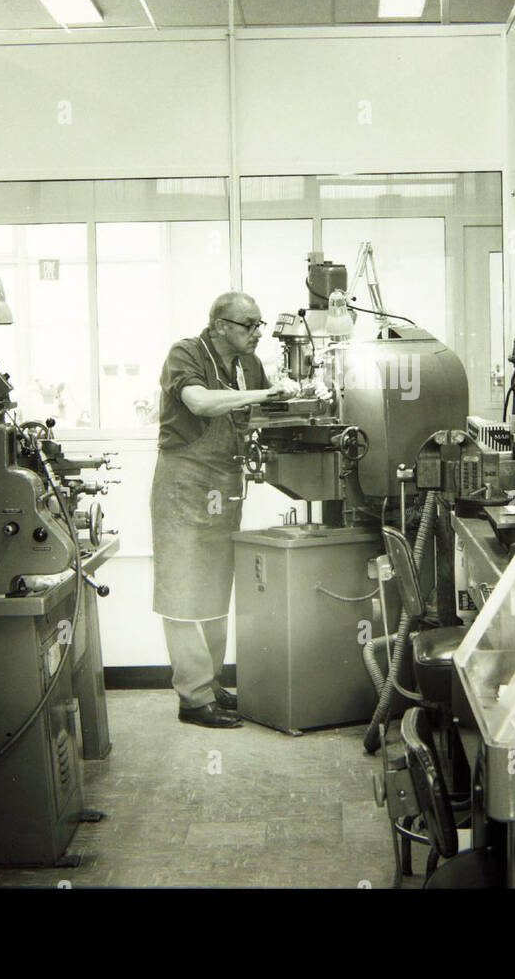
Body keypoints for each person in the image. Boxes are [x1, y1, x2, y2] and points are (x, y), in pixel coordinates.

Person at [151, 292, 294, 728]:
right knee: (182, 586)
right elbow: (199, 402)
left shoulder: (249, 364)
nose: (257, 333)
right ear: (218, 326)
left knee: (215, 586)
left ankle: (210, 685)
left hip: (223, 481)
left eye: (259, 324)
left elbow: (264, 410)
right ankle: (191, 699)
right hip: (185, 481)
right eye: (247, 325)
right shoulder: (185, 353)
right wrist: (266, 393)